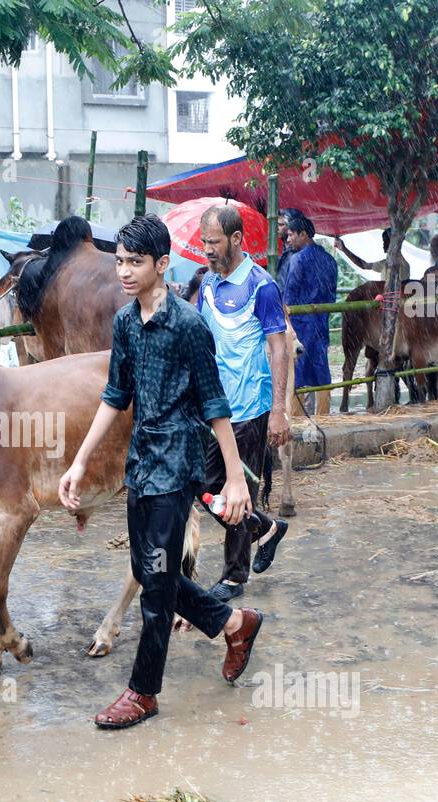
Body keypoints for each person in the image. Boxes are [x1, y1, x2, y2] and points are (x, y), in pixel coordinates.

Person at [59, 215, 264, 730]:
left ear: (162, 265)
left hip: (178, 464)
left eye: (135, 262)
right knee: (157, 571)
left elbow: (216, 403)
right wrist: (80, 461)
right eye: (121, 262)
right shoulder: (126, 322)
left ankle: (143, 692)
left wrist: (235, 480)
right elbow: (115, 395)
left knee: (155, 586)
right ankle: (236, 623)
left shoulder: (190, 326)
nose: (125, 272)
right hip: (142, 461)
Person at [194, 205, 291, 601]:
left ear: (236, 239)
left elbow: (279, 348)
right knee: (200, 485)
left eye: (214, 242)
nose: (207, 250)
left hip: (250, 408)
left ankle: (234, 576)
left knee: (239, 490)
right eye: (204, 242)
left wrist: (280, 412)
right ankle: (264, 527)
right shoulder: (206, 284)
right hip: (214, 406)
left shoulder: (261, 285)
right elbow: (200, 336)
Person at [280, 211, 338, 414]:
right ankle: (324, 414)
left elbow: (289, 297)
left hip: (300, 323)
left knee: (297, 371)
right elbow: (331, 295)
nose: (288, 240)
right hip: (321, 322)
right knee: (321, 367)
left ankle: (295, 416)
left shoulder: (297, 260)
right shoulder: (329, 260)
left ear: (303, 234)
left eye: (291, 235)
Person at [334, 228, 410, 287]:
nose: (383, 244)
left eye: (386, 241)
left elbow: (363, 265)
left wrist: (344, 249)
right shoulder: (390, 262)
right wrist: (344, 249)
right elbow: (363, 265)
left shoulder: (399, 264)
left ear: (393, 242)